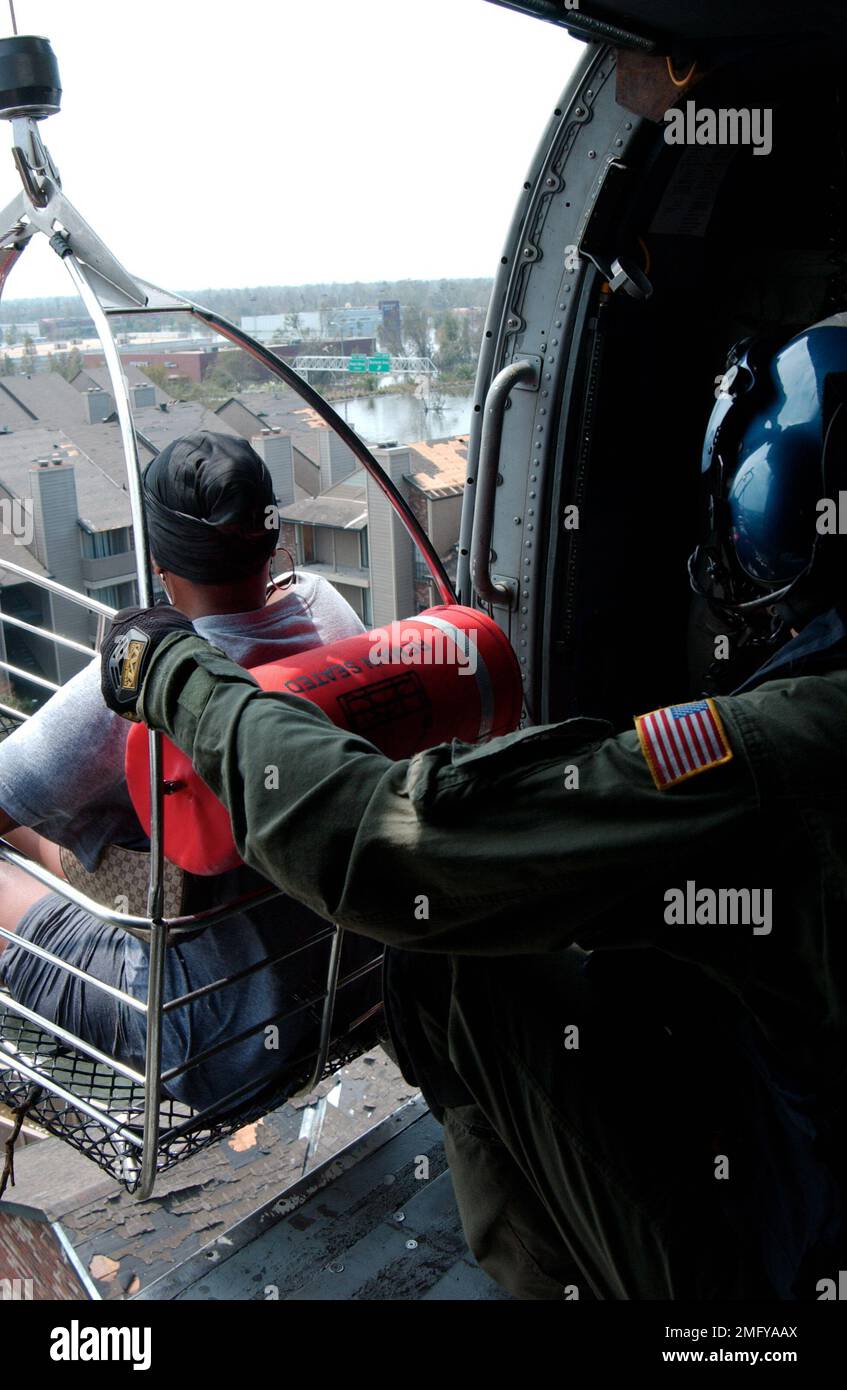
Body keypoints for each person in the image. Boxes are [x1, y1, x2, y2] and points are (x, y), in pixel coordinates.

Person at [99, 320, 847, 1299]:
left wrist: (173, 675)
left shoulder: (789, 746)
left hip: (792, 1256)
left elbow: (395, 845)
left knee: (450, 960)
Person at [0, 431, 380, 1115]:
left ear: (156, 556)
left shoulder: (133, 686)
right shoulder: (329, 615)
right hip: (352, 979)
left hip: (209, 1036)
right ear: (271, 538)